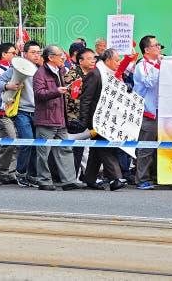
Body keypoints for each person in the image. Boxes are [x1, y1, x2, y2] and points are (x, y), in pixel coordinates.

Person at [0, 40, 43, 187]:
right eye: (33, 52)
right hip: (22, 111)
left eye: (38, 52)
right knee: (27, 141)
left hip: (38, 112)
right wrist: (7, 85)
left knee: (36, 144)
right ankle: (20, 173)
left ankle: (32, 175)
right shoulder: (16, 68)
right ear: (25, 53)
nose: (36, 55)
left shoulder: (41, 69)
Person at [33, 45, 83, 191]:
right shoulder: (40, 73)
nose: (63, 57)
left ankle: (68, 180)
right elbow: (39, 94)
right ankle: (44, 181)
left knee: (65, 149)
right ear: (51, 57)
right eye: (60, 55)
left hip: (60, 117)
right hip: (46, 118)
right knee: (43, 152)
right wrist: (56, 91)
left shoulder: (60, 70)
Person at [80, 48, 126, 191]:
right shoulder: (95, 74)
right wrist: (84, 121)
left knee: (97, 149)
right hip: (96, 120)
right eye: (116, 60)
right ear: (107, 60)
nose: (118, 64)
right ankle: (115, 178)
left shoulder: (109, 75)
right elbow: (86, 99)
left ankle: (90, 178)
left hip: (108, 118)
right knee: (106, 148)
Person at [133, 35, 164, 190]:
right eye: (156, 45)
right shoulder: (142, 65)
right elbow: (149, 82)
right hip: (148, 112)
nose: (159, 48)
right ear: (147, 49)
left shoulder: (159, 63)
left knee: (160, 147)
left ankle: (156, 176)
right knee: (146, 148)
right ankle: (141, 179)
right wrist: (158, 65)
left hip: (162, 112)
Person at [0, 42, 19, 185]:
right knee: (10, 140)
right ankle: (2, 171)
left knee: (17, 142)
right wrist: (8, 85)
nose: (15, 55)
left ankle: (11, 172)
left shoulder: (14, 68)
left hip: (15, 110)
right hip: (1, 110)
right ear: (4, 54)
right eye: (13, 53)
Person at [64, 47, 96, 173]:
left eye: (93, 58)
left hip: (86, 117)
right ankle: (72, 176)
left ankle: (83, 175)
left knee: (84, 149)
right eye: (89, 59)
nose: (93, 61)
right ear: (80, 61)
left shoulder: (92, 74)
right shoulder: (73, 75)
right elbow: (71, 97)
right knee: (76, 150)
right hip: (75, 118)